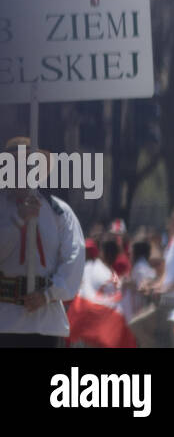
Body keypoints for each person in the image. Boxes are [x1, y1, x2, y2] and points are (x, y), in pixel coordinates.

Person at [0, 138, 86, 346]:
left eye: (28, 165)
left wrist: (48, 294)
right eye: (15, 165)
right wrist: (18, 220)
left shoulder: (58, 212)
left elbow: (74, 258)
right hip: (5, 319)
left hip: (45, 321)